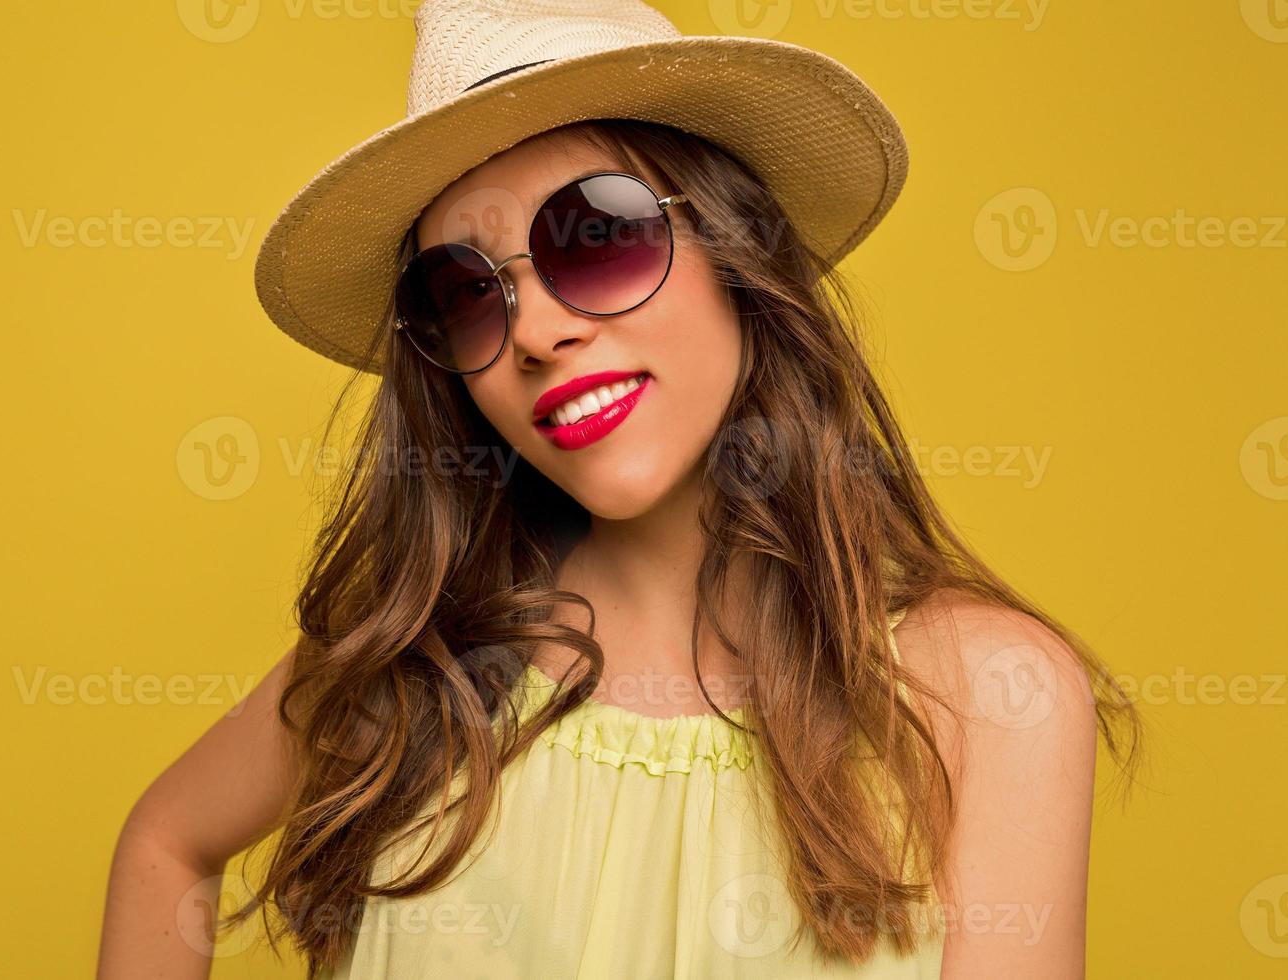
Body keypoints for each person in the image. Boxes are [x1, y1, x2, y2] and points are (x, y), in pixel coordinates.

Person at [97, 2, 1140, 977]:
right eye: (469, 295)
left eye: (596, 237)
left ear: (738, 253)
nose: (539, 331)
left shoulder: (983, 698)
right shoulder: (417, 665)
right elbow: (165, 841)